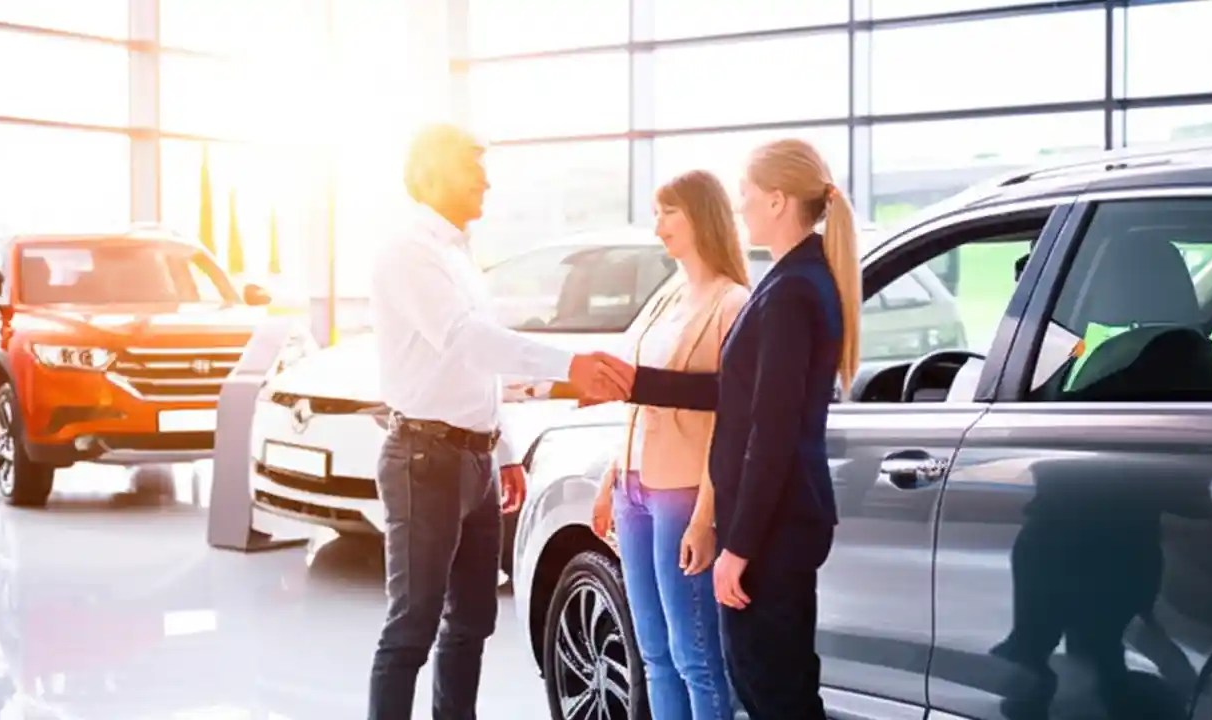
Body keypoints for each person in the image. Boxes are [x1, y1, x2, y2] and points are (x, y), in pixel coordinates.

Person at [590, 138, 862, 720]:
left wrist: (736, 546)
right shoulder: (794, 279)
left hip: (774, 526)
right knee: (771, 686)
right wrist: (635, 384)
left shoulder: (790, 291)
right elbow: (736, 398)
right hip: (783, 521)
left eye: (745, 193)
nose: (739, 205)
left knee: (770, 690)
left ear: (778, 200)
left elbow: (772, 431)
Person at [366, 123, 630, 720]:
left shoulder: (457, 254)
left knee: (472, 621)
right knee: (412, 625)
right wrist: (570, 365)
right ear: (433, 174)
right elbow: (467, 341)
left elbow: (476, 368)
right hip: (425, 460)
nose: (486, 179)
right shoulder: (409, 251)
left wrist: (504, 448)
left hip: (475, 459)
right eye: (472, 166)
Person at [589, 170, 749, 720]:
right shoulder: (669, 297)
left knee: (695, 656)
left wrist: (706, 517)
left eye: (669, 212)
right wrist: (612, 480)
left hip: (683, 492)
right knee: (653, 653)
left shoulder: (733, 303)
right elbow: (637, 394)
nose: (658, 227)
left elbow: (733, 418)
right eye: (656, 213)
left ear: (702, 215)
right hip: (635, 488)